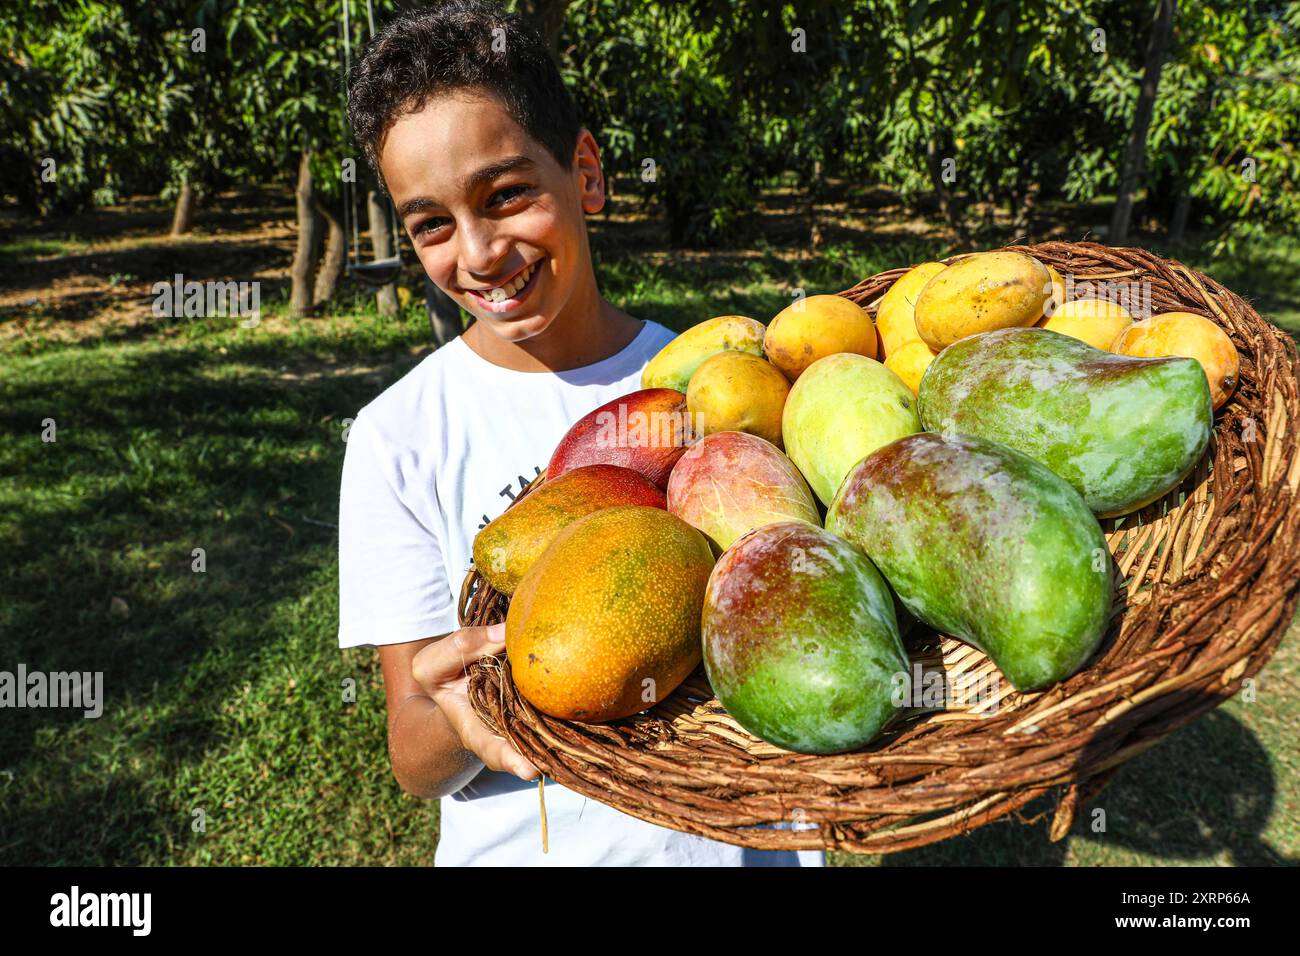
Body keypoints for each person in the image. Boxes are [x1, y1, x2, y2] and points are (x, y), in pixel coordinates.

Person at [337, 0, 824, 867]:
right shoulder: (397, 436)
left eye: (508, 194)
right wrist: (471, 712)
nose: (480, 252)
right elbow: (412, 752)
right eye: (433, 225)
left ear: (587, 173)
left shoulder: (713, 390)